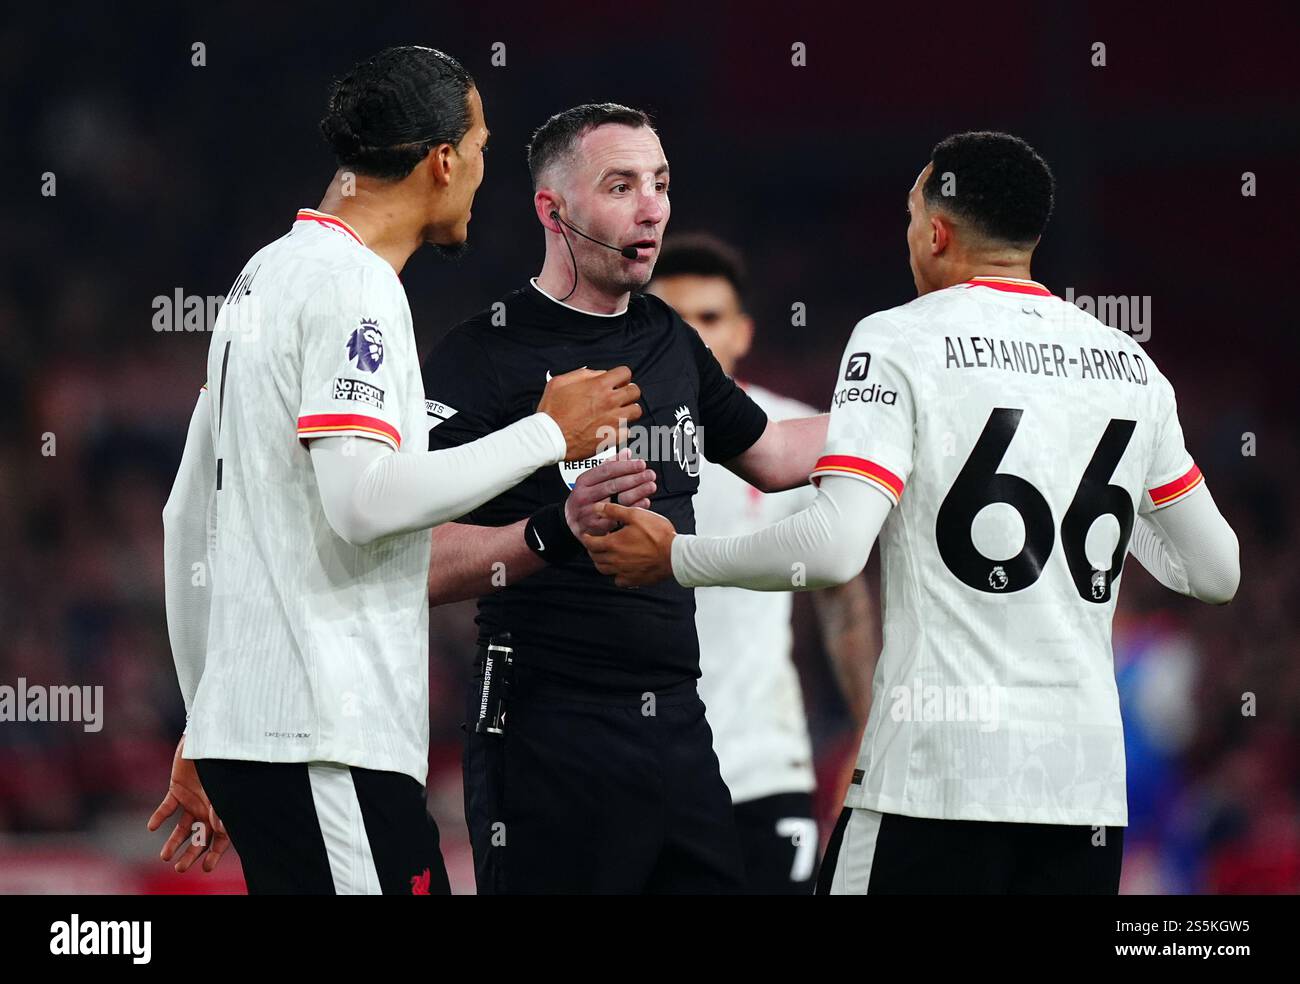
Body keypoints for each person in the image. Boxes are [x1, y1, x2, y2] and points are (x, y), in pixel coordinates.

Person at [585, 131, 1241, 895]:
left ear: (936, 231)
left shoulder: (901, 340)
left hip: (934, 781)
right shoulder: (1131, 367)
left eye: (908, 216)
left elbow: (833, 549)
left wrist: (675, 557)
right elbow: (1215, 570)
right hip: (1083, 793)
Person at [149, 47, 639, 895]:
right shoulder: (353, 286)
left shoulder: (260, 278)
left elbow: (187, 515)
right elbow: (363, 503)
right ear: (442, 160)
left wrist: (208, 719)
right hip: (324, 737)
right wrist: (544, 434)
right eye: (482, 147)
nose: (485, 174)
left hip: (272, 737)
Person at [420, 103, 829, 894]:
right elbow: (415, 562)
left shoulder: (669, 336)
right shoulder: (481, 356)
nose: (653, 208)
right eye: (621, 185)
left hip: (678, 720)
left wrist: (914, 414)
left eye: (661, 183)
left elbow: (776, 453)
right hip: (546, 728)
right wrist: (553, 530)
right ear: (555, 210)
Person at [647, 234, 875, 894]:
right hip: (625, 773)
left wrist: (866, 727)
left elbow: (842, 597)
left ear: (743, 332)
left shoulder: (793, 435)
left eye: (710, 318)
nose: (692, 335)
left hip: (760, 769)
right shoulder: (591, 446)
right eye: (672, 318)